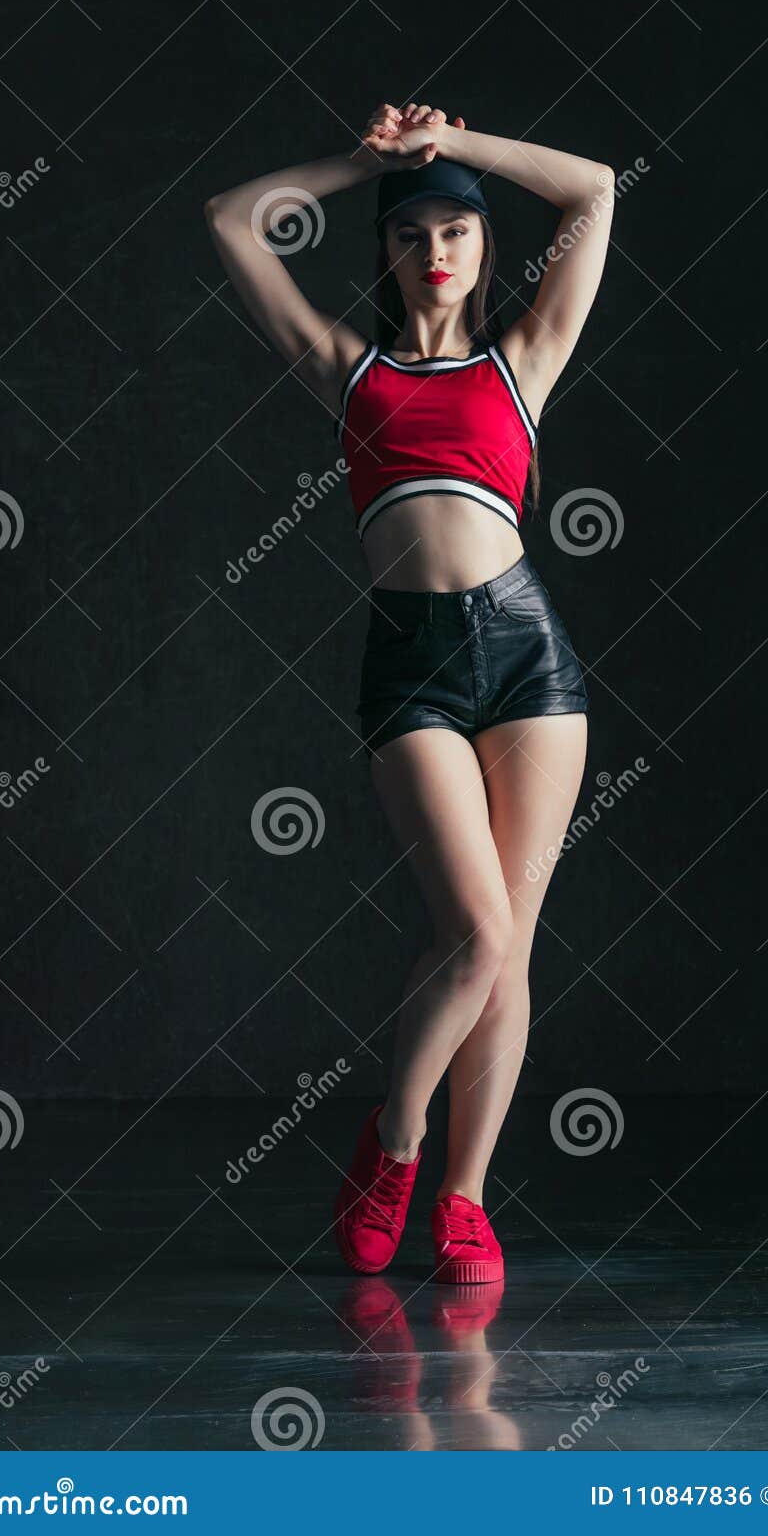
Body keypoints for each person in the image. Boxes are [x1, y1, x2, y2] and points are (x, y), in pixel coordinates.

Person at [204, 100, 614, 1283]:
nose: (436, 247)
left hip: (530, 661)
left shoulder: (522, 360)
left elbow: (590, 186)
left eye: (458, 230)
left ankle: (465, 1198)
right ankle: (392, 1145)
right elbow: (231, 221)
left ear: (486, 250)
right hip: (411, 661)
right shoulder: (346, 370)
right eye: (412, 230)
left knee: (512, 946)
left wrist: (462, 147)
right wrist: (369, 164)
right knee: (471, 934)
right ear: (386, 251)